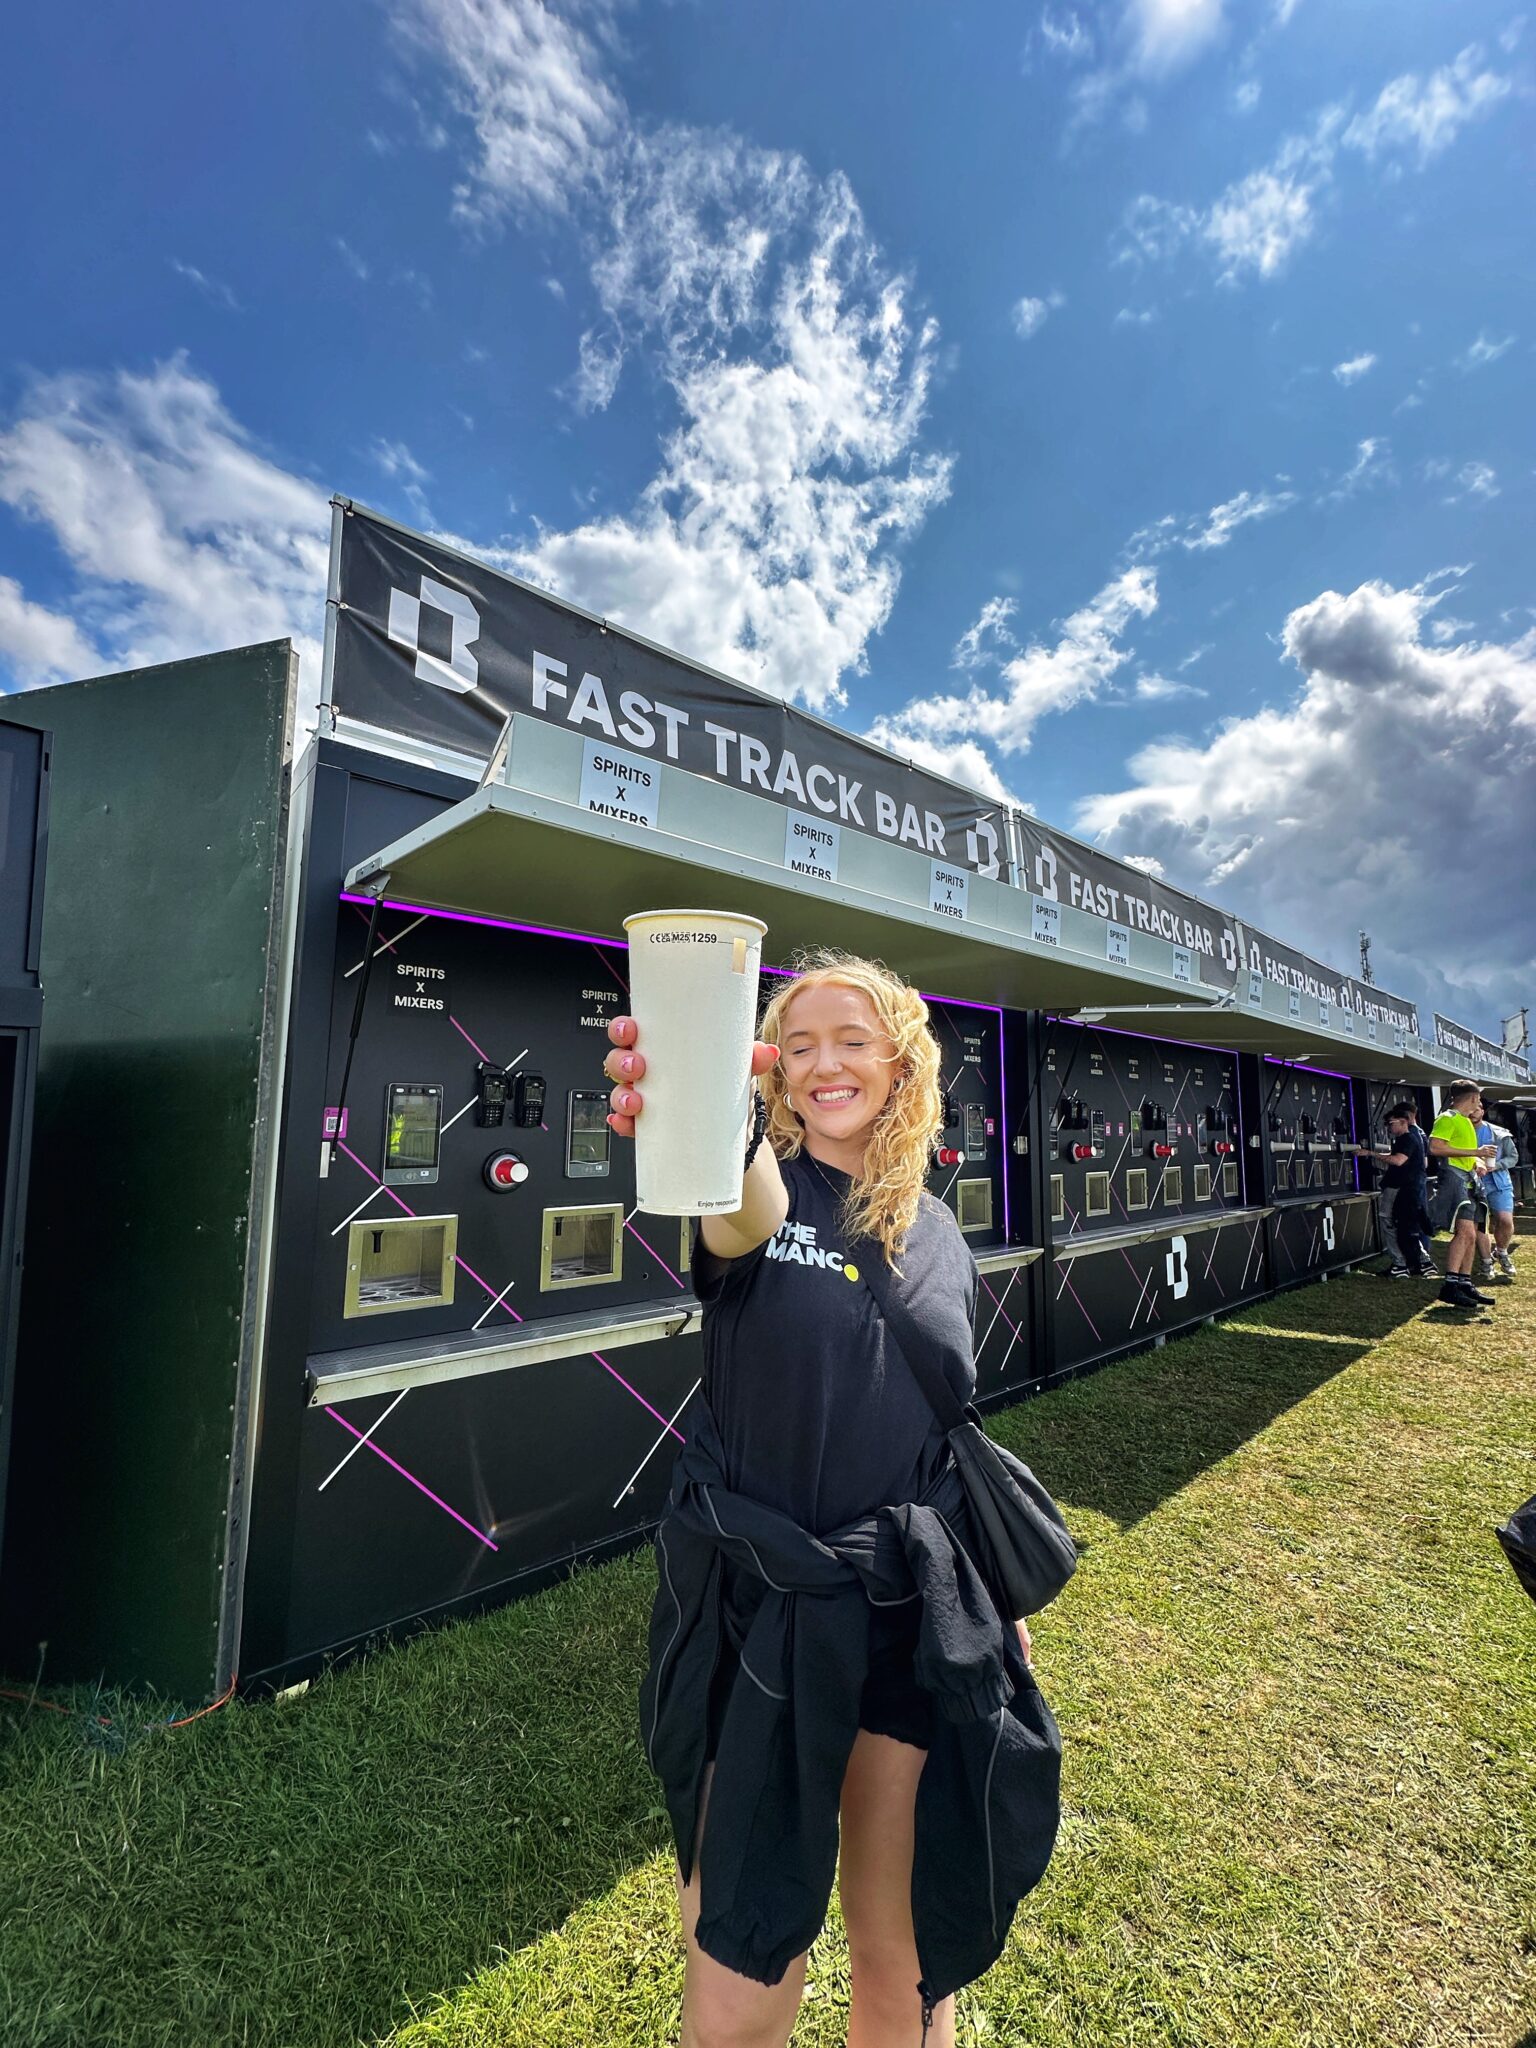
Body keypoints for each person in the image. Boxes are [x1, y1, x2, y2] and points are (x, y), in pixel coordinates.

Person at [605, 950, 1061, 2048]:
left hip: (913, 1613)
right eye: (797, 1044)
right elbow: (736, 1186)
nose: (824, 1062)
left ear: (903, 1059)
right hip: (766, 1611)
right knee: (741, 1962)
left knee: (901, 1952)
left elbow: (940, 1431)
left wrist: (1003, 1612)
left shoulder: (943, 1232)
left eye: (852, 1037)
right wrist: (697, 1088)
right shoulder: (759, 1193)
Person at [1427, 1081, 1500, 1310]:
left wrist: (1477, 1161)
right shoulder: (1447, 1118)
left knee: (1472, 1233)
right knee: (1465, 1232)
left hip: (1468, 1179)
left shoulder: (1465, 1122)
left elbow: (1460, 1152)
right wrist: (1475, 1153)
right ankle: (1450, 1284)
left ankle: (1464, 1282)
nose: (1480, 1103)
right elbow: (1435, 1148)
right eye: (1478, 1099)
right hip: (1454, 1179)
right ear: (1471, 1098)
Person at [1366, 1102, 1437, 1279]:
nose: (1389, 1128)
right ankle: (1419, 1262)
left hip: (1400, 1189)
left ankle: (1403, 1262)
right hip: (1407, 1189)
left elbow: (1398, 1161)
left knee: (1390, 1222)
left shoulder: (1408, 1138)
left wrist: (1371, 1153)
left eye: (1391, 1123)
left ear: (1404, 1121)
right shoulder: (1413, 1137)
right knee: (1405, 1226)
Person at [1474, 1113, 1518, 1283]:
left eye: (1477, 1108)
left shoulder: (1499, 1133)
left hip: (1499, 1183)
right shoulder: (1461, 1132)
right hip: (1475, 1184)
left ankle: (1501, 1252)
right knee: (1480, 1225)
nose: (1473, 1112)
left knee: (1505, 1221)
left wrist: (1497, 1166)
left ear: (1482, 1110)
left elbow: (1513, 1157)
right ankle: (1486, 1262)